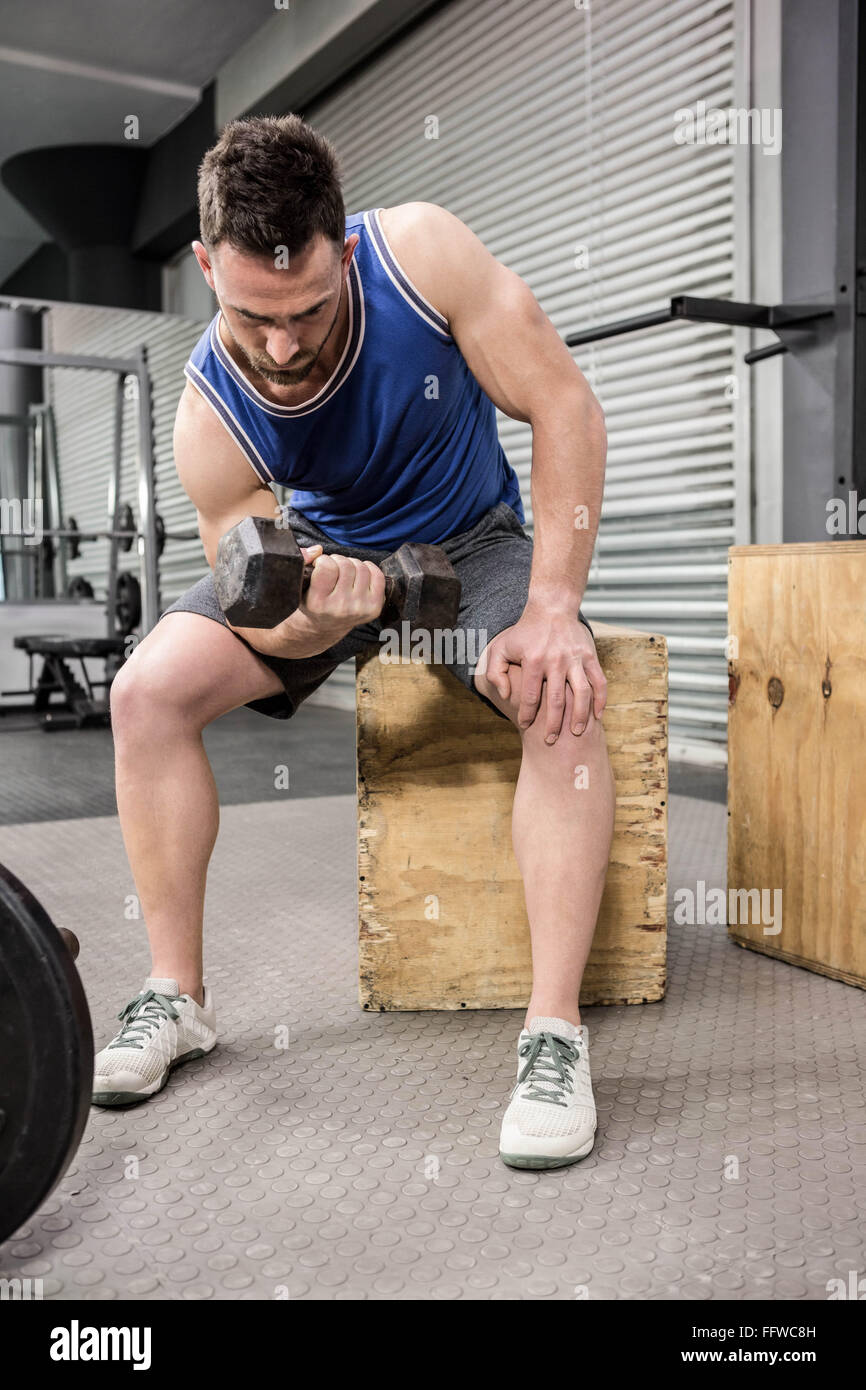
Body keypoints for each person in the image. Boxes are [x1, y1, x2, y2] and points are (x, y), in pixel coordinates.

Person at [96, 114, 615, 1170]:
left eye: (309, 308)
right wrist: (321, 616)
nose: (282, 346)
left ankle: (553, 1033)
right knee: (144, 693)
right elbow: (258, 590)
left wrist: (553, 604)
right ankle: (175, 995)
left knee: (557, 692)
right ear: (204, 267)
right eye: (252, 315)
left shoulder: (421, 257)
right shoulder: (210, 409)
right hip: (319, 566)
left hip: (470, 545)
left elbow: (563, 405)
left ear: (344, 245)